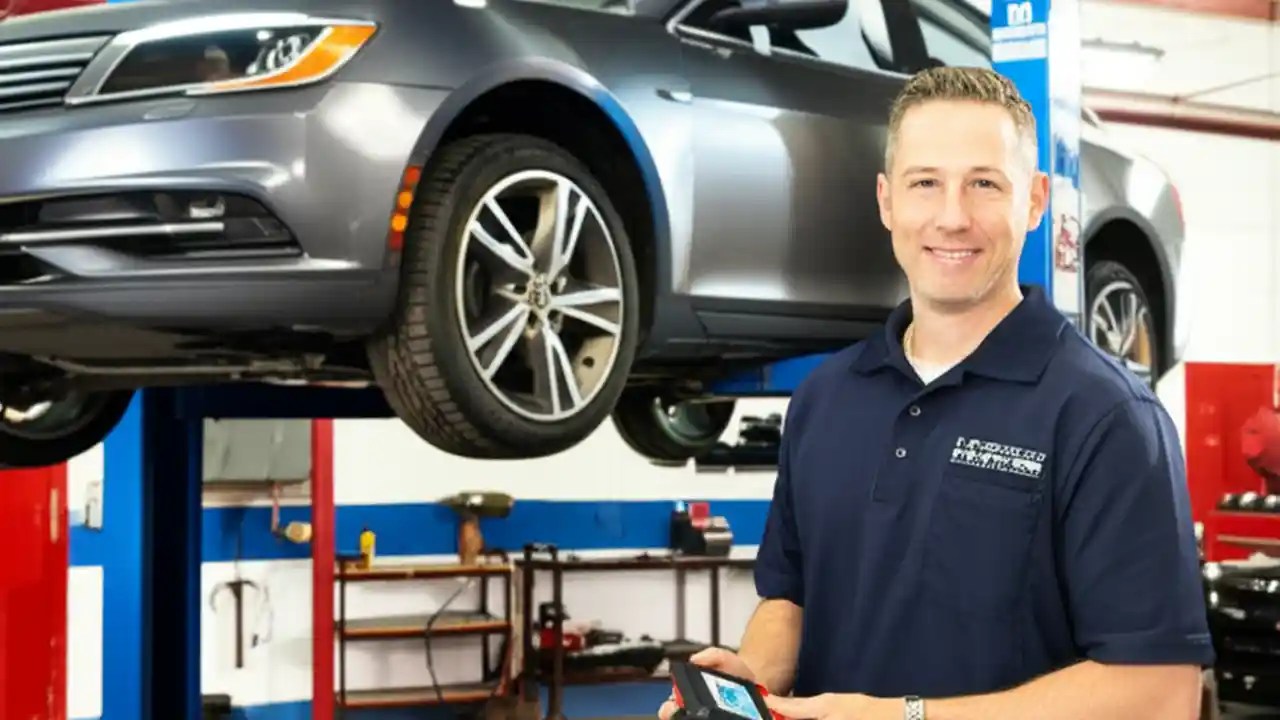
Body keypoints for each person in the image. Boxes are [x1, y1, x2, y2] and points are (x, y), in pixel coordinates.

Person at [658, 66, 1212, 719]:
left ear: (1035, 200)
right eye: (926, 183)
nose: (952, 218)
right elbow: (793, 599)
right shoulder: (825, 399)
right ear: (886, 200)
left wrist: (905, 716)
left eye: (984, 184)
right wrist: (751, 685)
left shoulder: (1107, 417)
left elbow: (1161, 694)